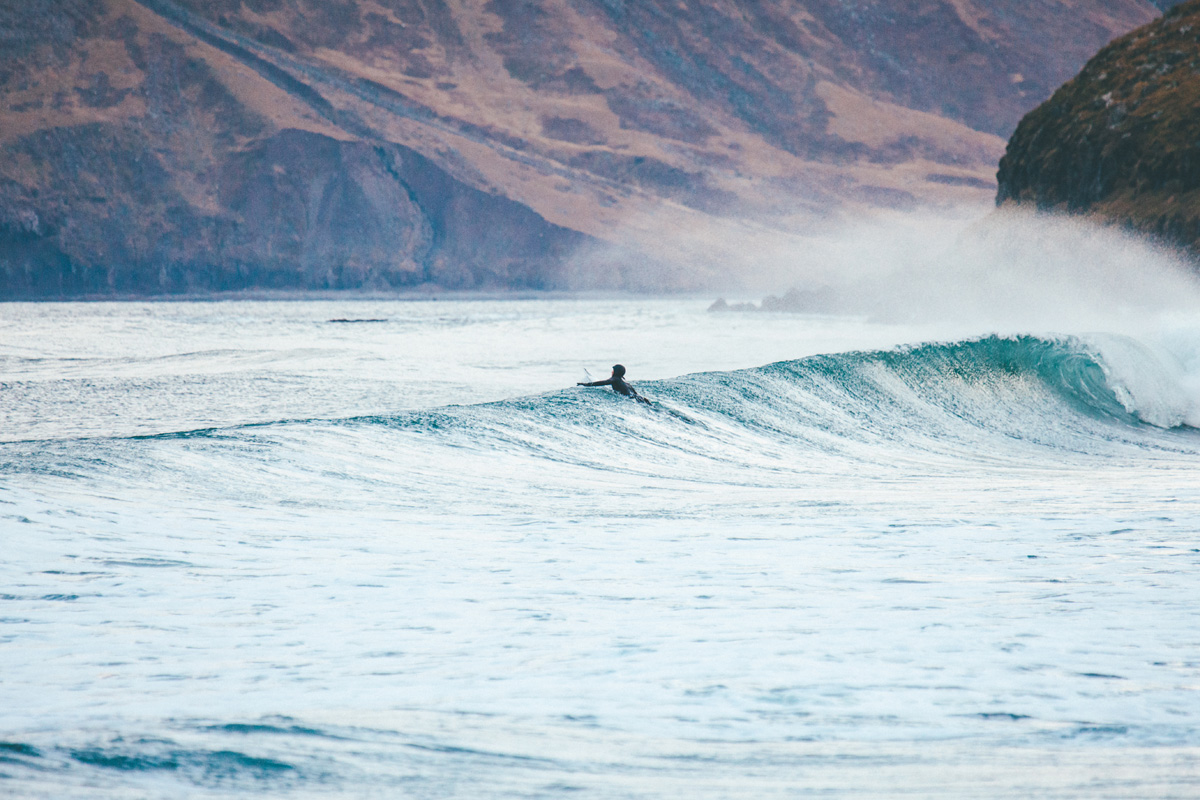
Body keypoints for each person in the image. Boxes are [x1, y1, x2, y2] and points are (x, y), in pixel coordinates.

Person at [578, 364, 651, 404]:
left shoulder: (615, 379)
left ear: (616, 372)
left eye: (613, 370)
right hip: (638, 398)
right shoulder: (625, 382)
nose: (611, 372)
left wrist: (586, 384)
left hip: (630, 398)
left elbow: (603, 383)